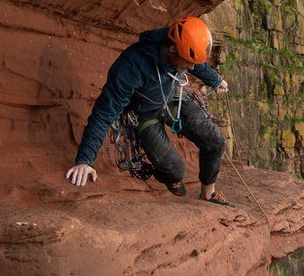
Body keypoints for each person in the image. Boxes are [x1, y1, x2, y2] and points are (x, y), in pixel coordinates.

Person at [65, 16, 233, 206]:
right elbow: (104, 113)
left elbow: (195, 62)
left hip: (171, 99)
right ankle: (171, 176)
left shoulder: (181, 47)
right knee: (175, 170)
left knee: (215, 140)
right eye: (188, 62)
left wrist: (215, 80)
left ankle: (208, 194)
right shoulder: (131, 66)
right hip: (145, 114)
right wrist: (85, 160)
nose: (192, 68)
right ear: (172, 49)